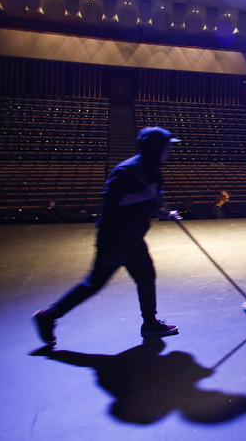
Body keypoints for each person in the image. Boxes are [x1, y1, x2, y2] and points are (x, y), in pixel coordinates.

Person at [33, 127, 182, 346]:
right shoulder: (127, 170)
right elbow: (112, 200)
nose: (170, 150)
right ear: (155, 148)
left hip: (133, 238)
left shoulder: (154, 170)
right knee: (94, 283)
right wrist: (142, 195)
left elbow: (152, 204)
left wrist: (167, 214)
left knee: (146, 276)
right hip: (114, 238)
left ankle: (150, 323)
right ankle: (48, 316)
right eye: (167, 146)